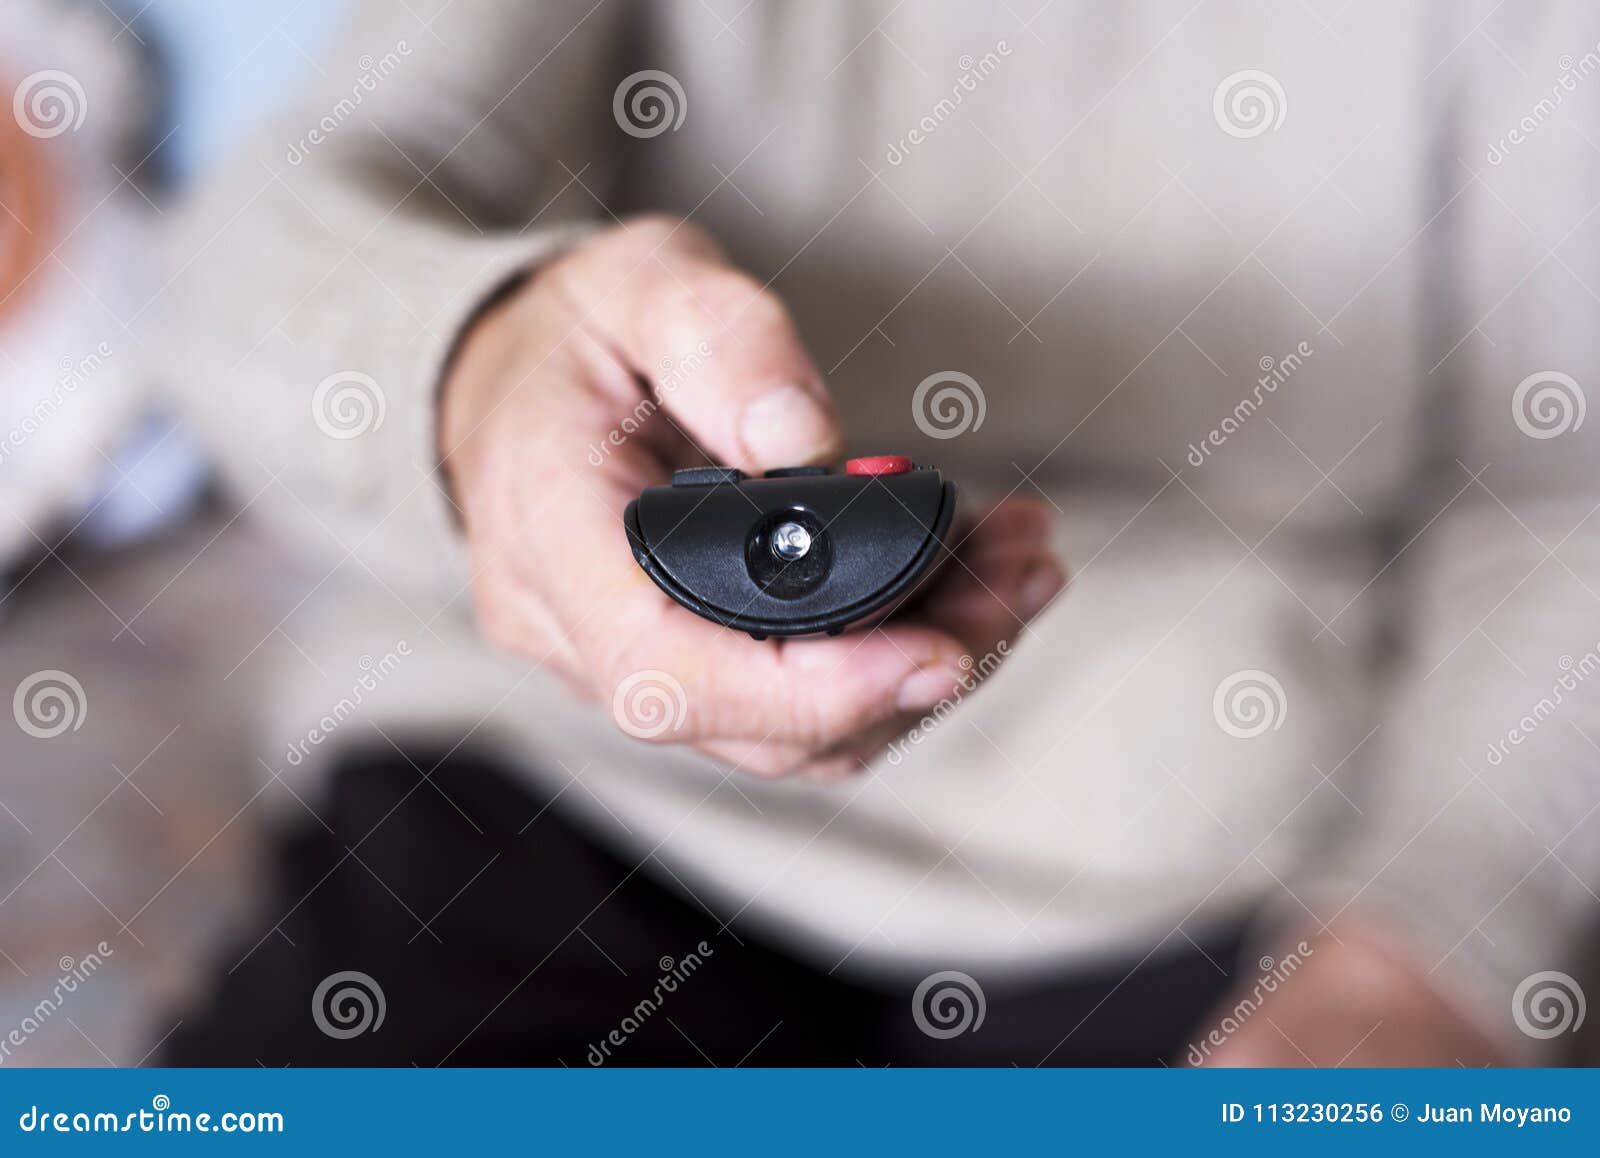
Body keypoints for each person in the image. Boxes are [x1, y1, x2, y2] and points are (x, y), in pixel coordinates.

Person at [157, 0, 1599, 1065]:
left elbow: (1565, 496)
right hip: (554, 773)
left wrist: (1429, 946)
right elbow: (281, 237)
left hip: (1231, 850)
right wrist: (472, 373)